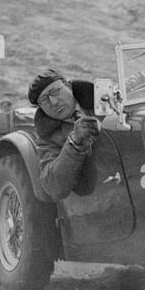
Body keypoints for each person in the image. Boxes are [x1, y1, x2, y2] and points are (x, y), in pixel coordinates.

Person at [27, 70, 101, 201]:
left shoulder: (101, 100)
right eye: (44, 100)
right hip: (95, 196)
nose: (53, 102)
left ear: (68, 86)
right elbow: (53, 187)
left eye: (55, 91)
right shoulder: (48, 137)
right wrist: (74, 142)